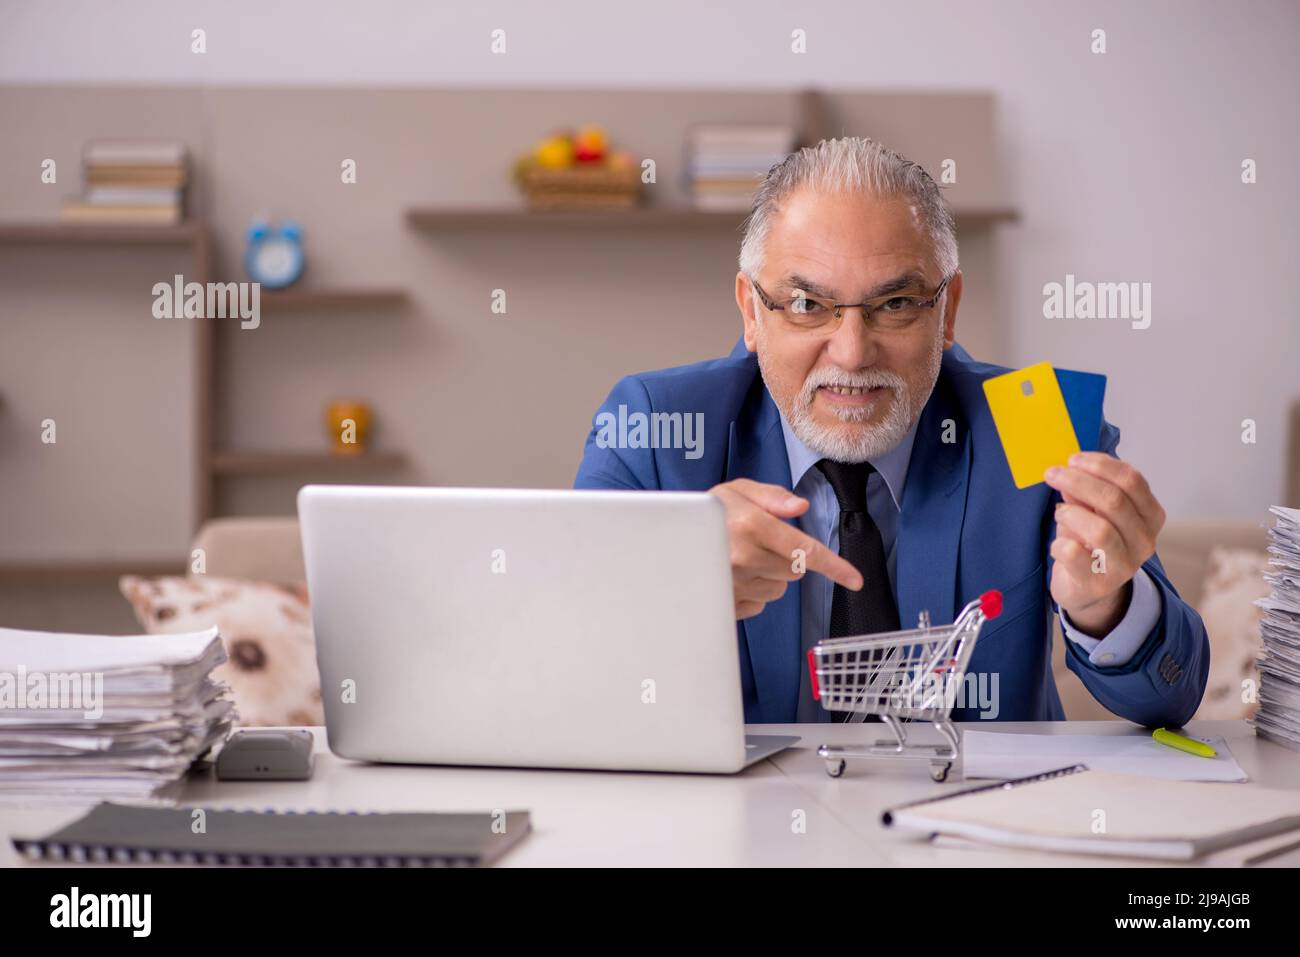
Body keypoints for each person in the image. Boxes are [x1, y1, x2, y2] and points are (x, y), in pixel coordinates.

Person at [575, 137, 1209, 726]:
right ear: (751, 311)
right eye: (807, 306)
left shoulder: (1034, 419)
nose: (852, 353)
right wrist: (672, 579)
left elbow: (1170, 696)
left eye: (896, 304)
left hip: (974, 811)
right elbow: (560, 655)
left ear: (947, 310)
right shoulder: (654, 429)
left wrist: (1104, 604)